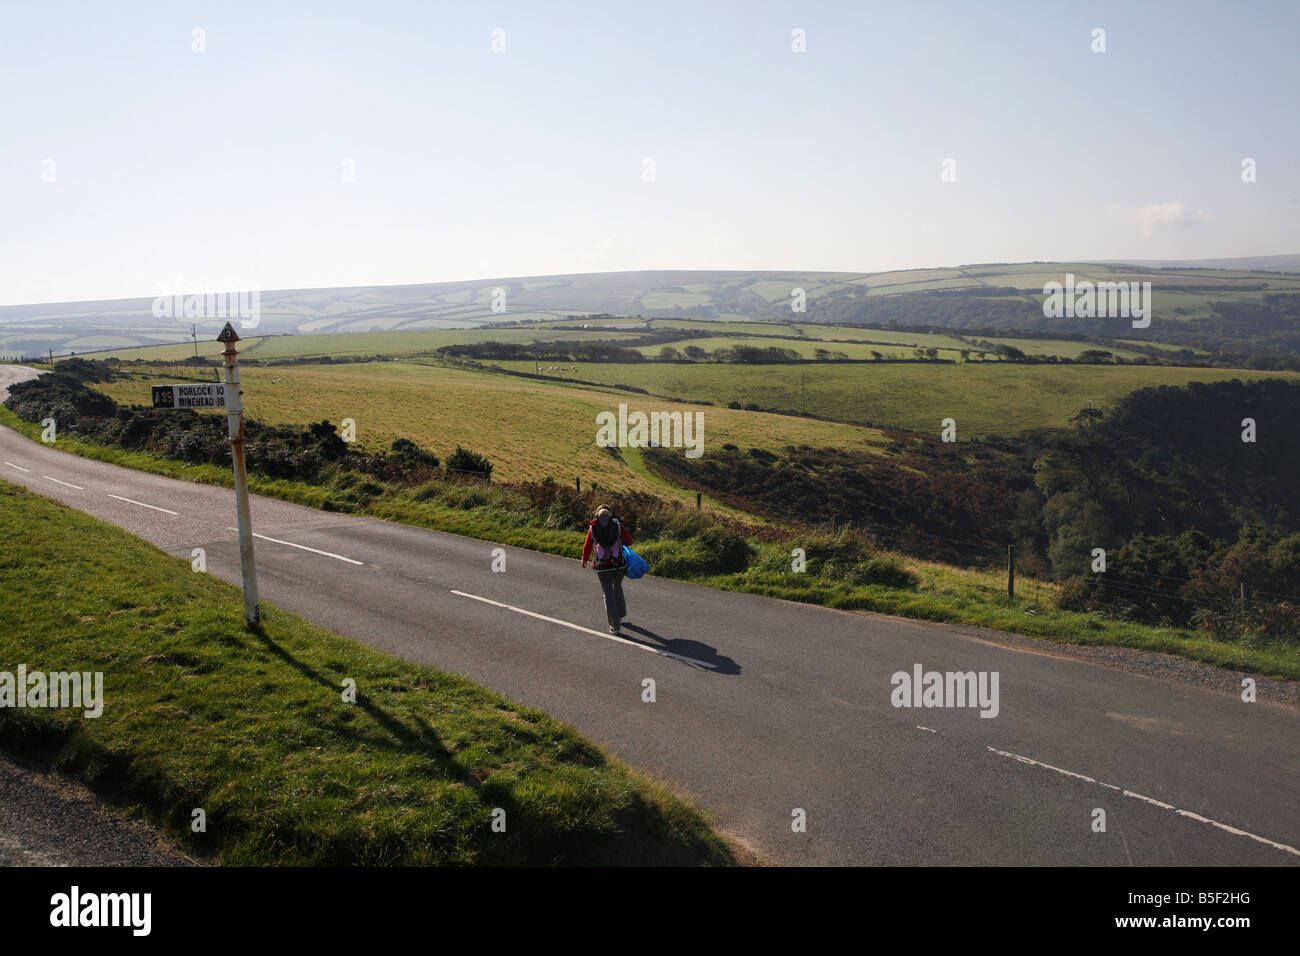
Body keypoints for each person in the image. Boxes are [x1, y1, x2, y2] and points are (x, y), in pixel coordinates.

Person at [581, 505, 634, 633]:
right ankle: (620, 615)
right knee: (617, 588)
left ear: (597, 516)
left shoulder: (592, 528)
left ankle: (615, 626)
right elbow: (629, 541)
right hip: (618, 565)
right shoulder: (617, 526)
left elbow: (588, 545)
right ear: (611, 515)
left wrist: (584, 558)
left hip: (602, 566)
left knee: (608, 594)